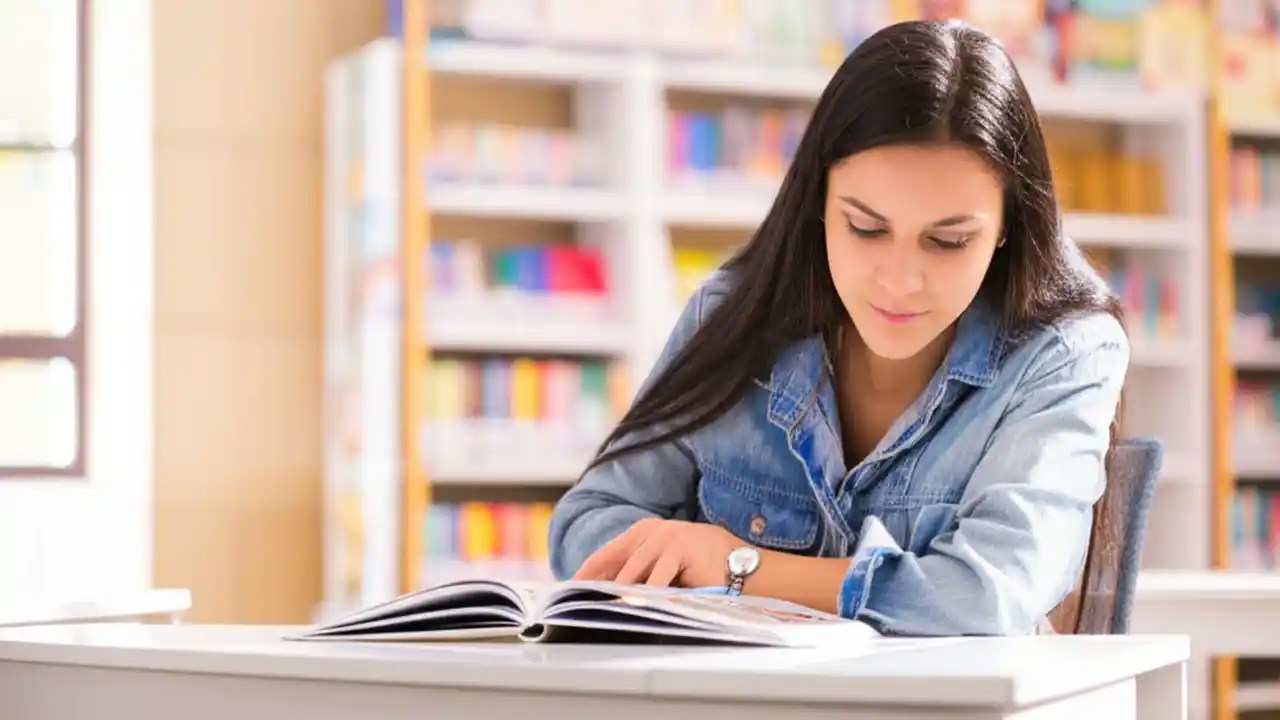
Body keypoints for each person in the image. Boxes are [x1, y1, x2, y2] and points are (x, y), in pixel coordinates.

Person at [548, 19, 1129, 637]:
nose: (901, 279)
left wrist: (736, 566)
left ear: (1008, 230)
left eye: (949, 241)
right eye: (866, 229)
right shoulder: (733, 315)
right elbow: (588, 526)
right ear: (818, 204)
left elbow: (990, 592)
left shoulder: (1066, 353)